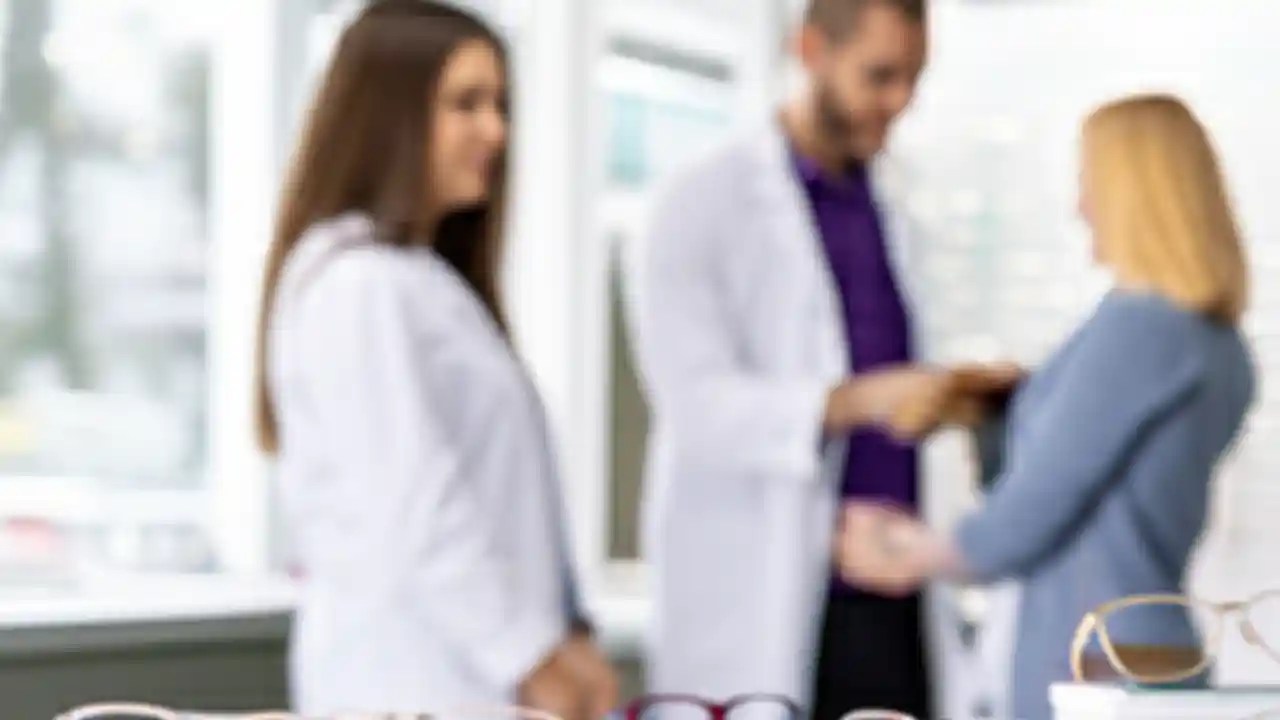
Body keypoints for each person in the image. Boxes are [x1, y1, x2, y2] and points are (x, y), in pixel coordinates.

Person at [626, 0, 1016, 716]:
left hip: (895, 594)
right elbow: (697, 406)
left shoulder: (893, 206)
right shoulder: (699, 202)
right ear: (809, 50)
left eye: (913, 79)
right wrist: (862, 399)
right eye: (880, 76)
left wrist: (957, 396)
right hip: (769, 593)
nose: (899, 103)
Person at [836, 94, 1258, 720]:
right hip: (1149, 649)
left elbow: (1028, 515)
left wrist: (901, 552)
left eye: (1091, 183)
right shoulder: (1215, 343)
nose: (1080, 207)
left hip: (1095, 663)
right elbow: (1109, 482)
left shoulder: (1140, 329)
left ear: (1136, 192)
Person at [253, 2, 618, 716]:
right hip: (411, 681)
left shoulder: (419, 281)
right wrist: (533, 658)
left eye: (500, 104)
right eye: (466, 104)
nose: (497, 131)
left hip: (466, 678)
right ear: (389, 114)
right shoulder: (358, 284)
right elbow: (418, 505)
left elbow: (505, 504)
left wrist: (565, 635)